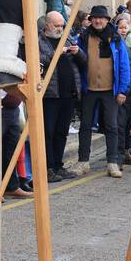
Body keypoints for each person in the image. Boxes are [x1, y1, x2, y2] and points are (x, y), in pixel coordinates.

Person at [77, 5, 130, 177]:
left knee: (112, 126)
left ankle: (112, 162)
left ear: (107, 20)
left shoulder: (115, 38)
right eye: (95, 18)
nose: (98, 21)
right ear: (91, 20)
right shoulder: (84, 37)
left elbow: (124, 65)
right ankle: (83, 162)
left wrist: (123, 90)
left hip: (110, 91)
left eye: (102, 18)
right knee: (85, 126)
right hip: (89, 89)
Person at [38, 11, 85, 181]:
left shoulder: (67, 38)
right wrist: (57, 53)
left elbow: (84, 60)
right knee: (48, 133)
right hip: (50, 95)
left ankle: (58, 165)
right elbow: (39, 61)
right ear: (47, 25)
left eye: (62, 25)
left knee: (61, 132)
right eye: (57, 25)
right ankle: (48, 167)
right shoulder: (39, 41)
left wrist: (77, 51)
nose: (60, 29)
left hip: (68, 94)